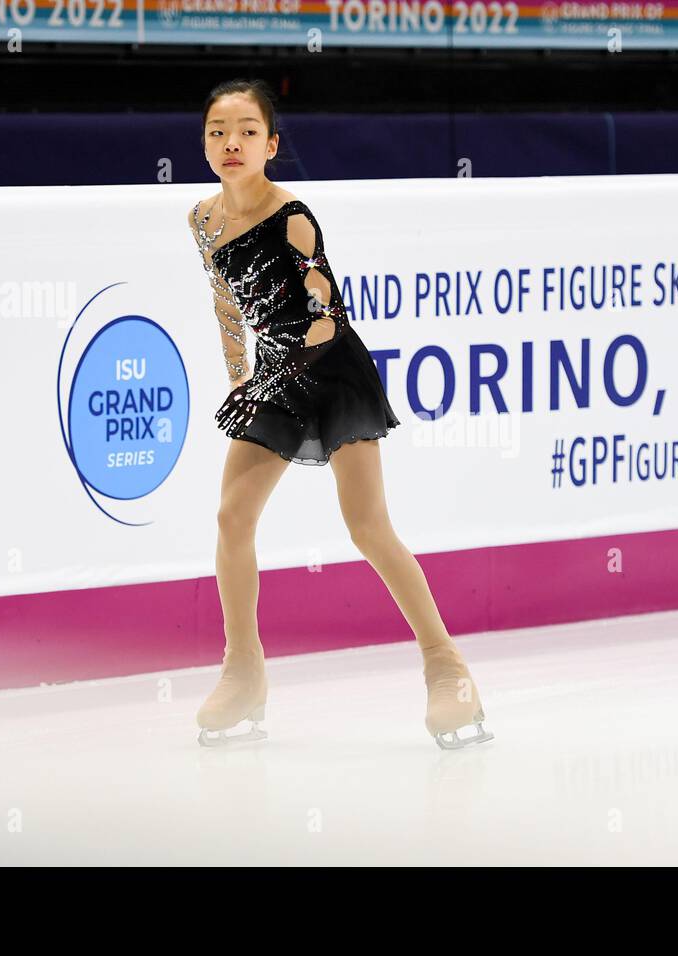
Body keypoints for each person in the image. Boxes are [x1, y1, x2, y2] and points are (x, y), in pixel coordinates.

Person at [186, 78, 492, 750]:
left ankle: (447, 668)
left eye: (244, 130)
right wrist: (241, 382)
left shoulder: (293, 216)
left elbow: (326, 321)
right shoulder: (203, 220)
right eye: (216, 130)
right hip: (273, 376)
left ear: (270, 144)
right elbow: (228, 308)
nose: (230, 142)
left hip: (331, 373)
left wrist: (271, 376)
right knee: (232, 516)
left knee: (367, 527)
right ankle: (244, 671)